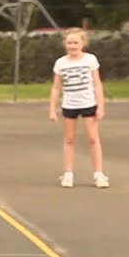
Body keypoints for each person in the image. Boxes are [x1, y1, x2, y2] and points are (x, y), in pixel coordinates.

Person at [49, 28, 108, 188]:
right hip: (70, 105)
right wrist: (52, 108)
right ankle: (68, 173)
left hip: (88, 104)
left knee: (93, 139)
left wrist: (100, 106)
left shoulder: (90, 60)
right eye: (69, 43)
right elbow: (56, 87)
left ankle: (98, 174)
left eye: (75, 42)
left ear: (83, 43)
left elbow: (97, 84)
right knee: (69, 139)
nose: (72, 46)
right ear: (65, 44)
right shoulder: (61, 63)